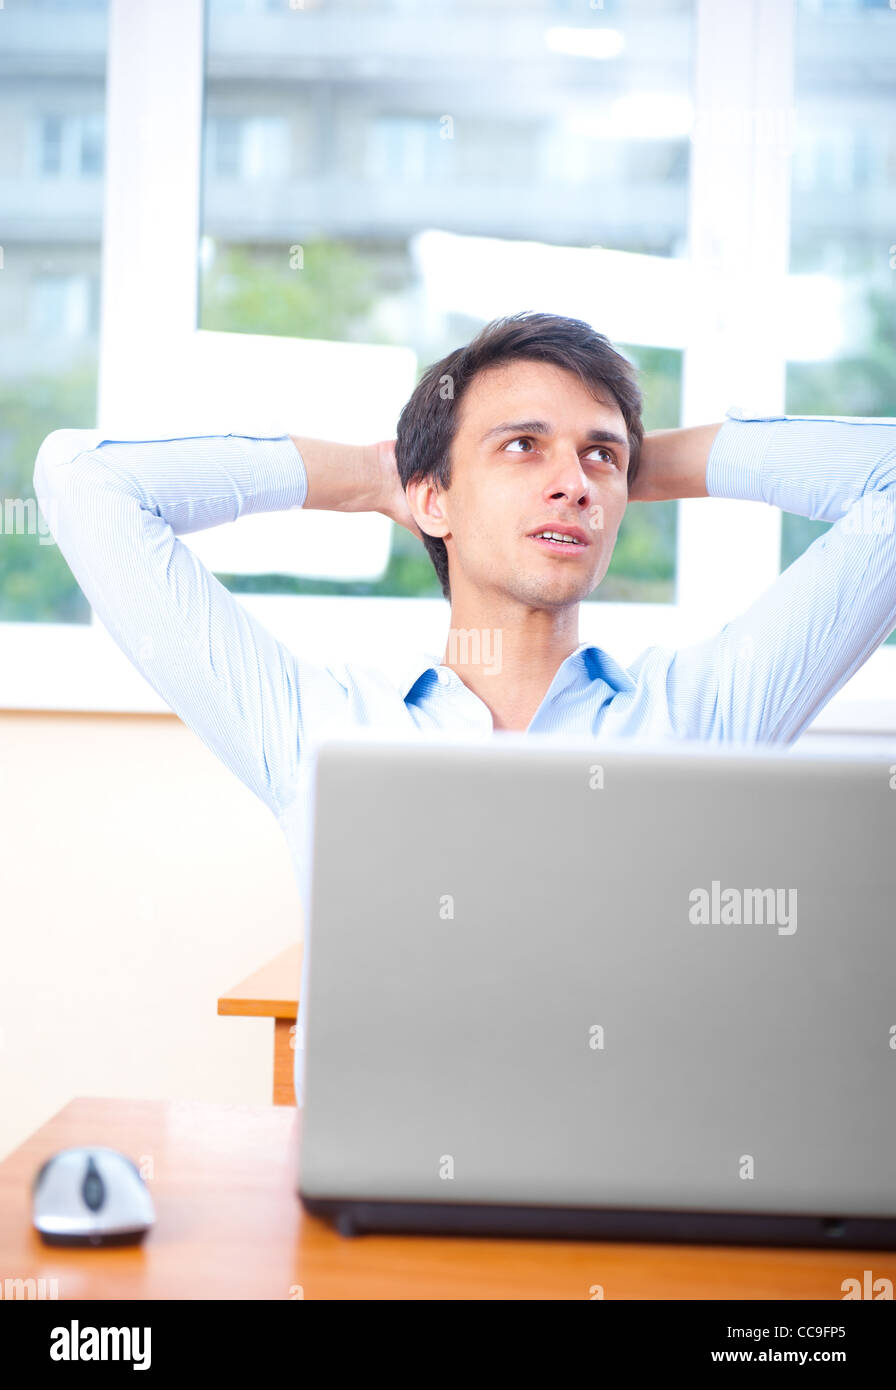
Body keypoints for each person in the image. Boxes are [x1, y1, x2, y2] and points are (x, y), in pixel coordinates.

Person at [33, 310, 896, 1103]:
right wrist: (382, 475)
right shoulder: (318, 727)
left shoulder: (705, 715)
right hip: (385, 1224)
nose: (574, 483)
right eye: (522, 445)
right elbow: (84, 483)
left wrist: (638, 463)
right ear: (434, 500)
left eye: (601, 457)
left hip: (630, 1200)